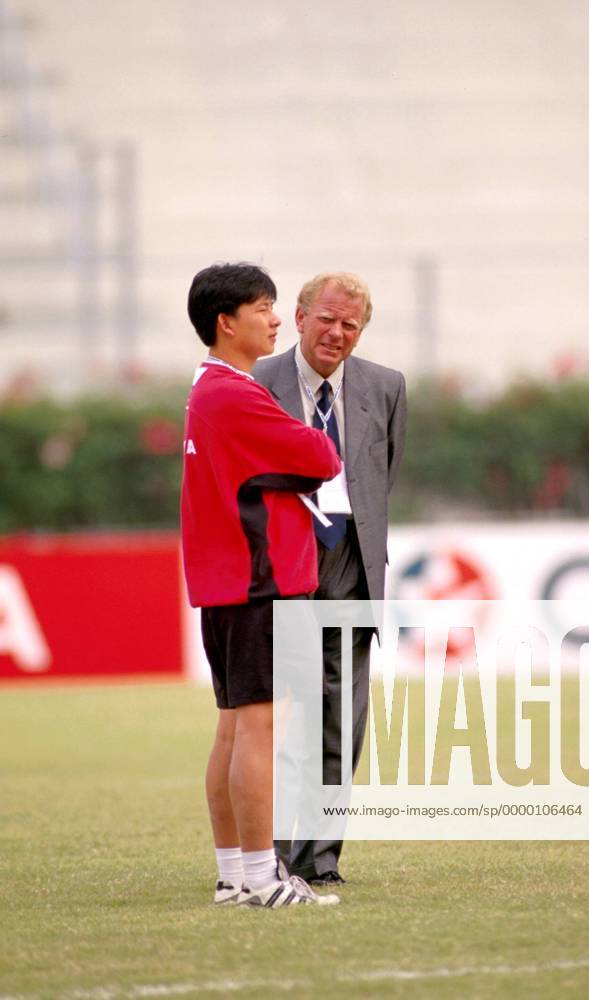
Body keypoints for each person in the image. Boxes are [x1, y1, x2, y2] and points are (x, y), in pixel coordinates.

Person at [180, 262, 342, 908]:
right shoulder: (234, 393)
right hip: (259, 584)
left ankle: (236, 876)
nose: (277, 319)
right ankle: (260, 876)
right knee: (258, 731)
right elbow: (323, 458)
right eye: (264, 307)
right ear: (227, 322)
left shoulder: (207, 388)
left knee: (233, 730)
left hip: (231, 586)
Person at [254, 271, 407, 884]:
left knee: (343, 720)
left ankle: (322, 859)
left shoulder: (387, 386)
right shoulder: (257, 382)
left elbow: (382, 475)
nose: (337, 333)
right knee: (292, 720)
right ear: (298, 317)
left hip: (352, 567)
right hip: (284, 573)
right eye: (328, 319)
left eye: (351, 324)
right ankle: (282, 855)